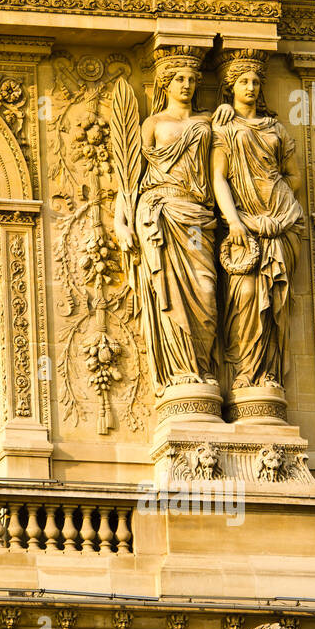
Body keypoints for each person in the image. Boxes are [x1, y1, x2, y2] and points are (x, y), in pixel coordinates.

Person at [114, 49, 218, 391]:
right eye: (179, 79)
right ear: (166, 84)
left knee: (205, 291)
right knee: (168, 293)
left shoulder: (209, 122)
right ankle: (180, 373)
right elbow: (130, 176)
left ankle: (203, 368)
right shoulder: (154, 124)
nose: (186, 85)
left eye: (191, 79)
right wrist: (121, 221)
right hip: (160, 212)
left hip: (196, 217)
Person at [211, 51, 304, 391]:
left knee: (277, 298)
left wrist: (278, 209)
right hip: (244, 224)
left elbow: (294, 177)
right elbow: (219, 178)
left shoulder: (276, 127)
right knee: (248, 294)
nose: (250, 87)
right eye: (243, 82)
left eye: (255, 82)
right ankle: (245, 374)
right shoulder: (225, 128)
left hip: (281, 222)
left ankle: (267, 373)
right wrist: (236, 220)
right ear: (230, 88)